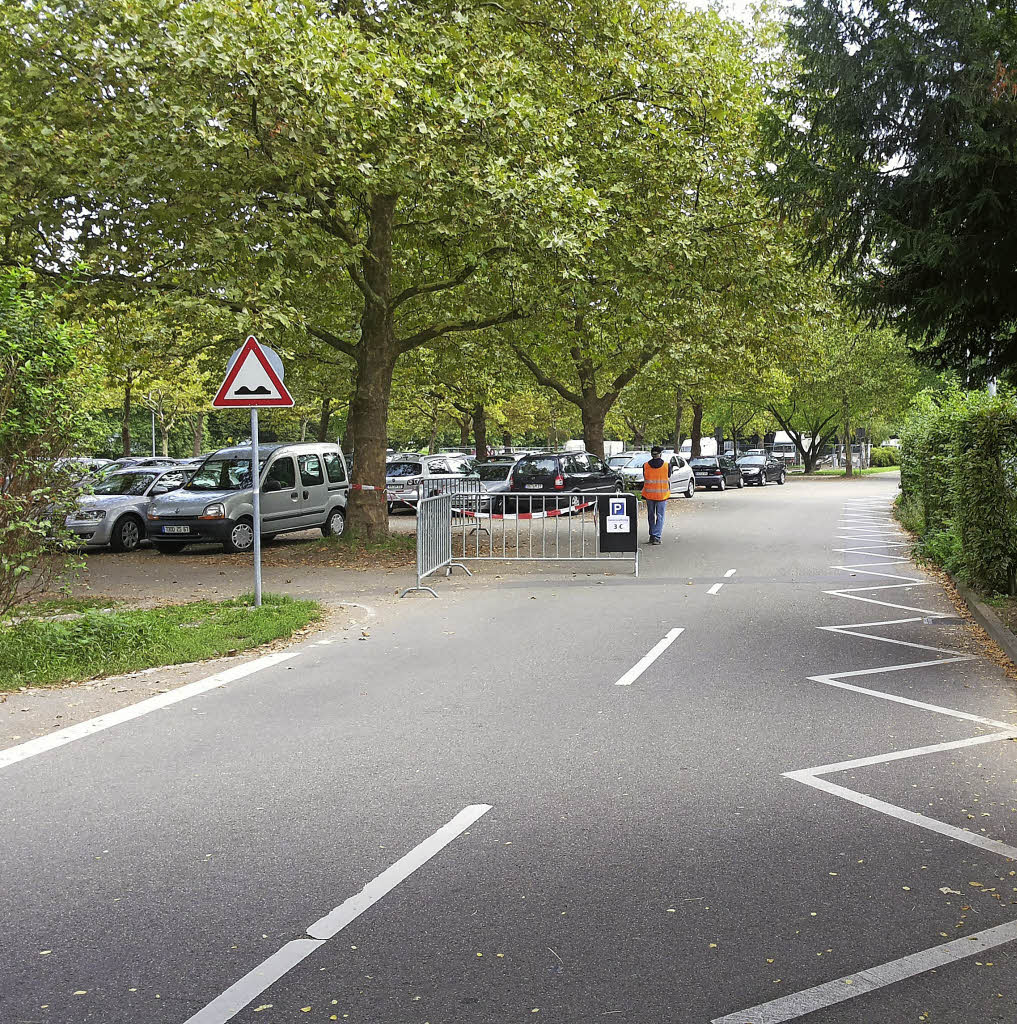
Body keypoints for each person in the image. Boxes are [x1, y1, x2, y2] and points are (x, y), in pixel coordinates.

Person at [641, 446, 670, 544]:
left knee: (651, 515)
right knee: (660, 516)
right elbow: (668, 476)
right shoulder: (667, 465)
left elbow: (645, 477)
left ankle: (652, 535)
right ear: (660, 454)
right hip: (662, 495)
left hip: (649, 495)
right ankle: (657, 536)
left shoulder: (645, 465)